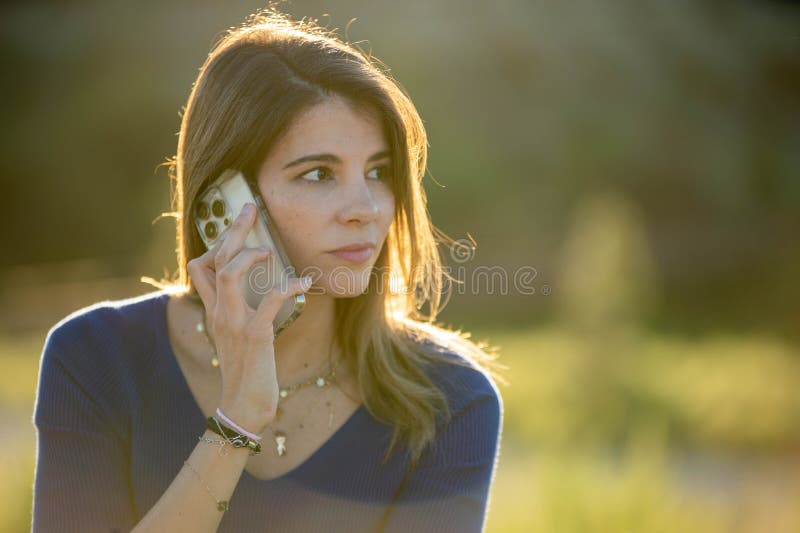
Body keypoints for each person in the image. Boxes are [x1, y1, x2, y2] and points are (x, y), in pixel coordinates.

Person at [32, 6, 503, 533]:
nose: (365, 208)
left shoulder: (451, 402)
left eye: (379, 171)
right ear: (227, 198)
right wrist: (236, 423)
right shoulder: (96, 358)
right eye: (319, 173)